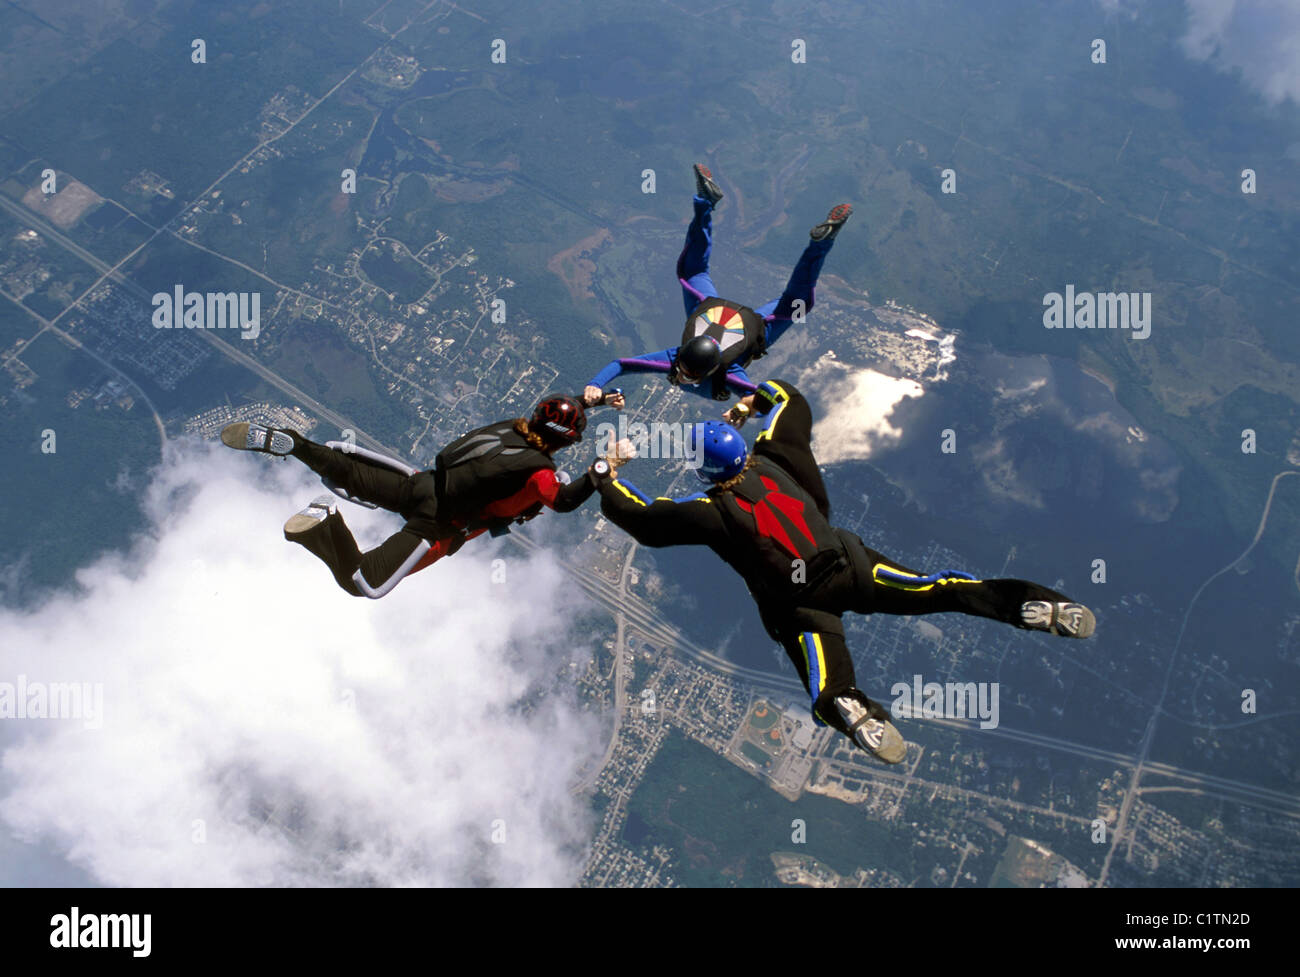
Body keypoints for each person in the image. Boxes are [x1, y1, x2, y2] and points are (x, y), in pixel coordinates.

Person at [591, 379, 1096, 764]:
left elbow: (644, 520)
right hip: (852, 566)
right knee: (940, 588)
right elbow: (792, 401)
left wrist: (605, 476)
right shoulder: (777, 454)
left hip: (803, 607)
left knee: (825, 678)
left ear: (705, 472)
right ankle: (1032, 606)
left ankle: (850, 707)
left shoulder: (707, 512)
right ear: (742, 450)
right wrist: (752, 399)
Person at [220, 395, 603, 598]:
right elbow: (565, 500)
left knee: (348, 472)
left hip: (422, 485)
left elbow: (558, 418)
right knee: (364, 582)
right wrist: (600, 471)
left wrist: (590, 401)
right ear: (566, 441)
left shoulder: (513, 429)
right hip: (439, 526)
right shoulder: (539, 474)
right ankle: (325, 524)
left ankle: (297, 445)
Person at [582, 164, 852, 408]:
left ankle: (818, 242)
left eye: (689, 374)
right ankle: (708, 203)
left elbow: (756, 397)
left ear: (711, 371)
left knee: (791, 302)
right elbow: (622, 364)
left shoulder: (718, 368)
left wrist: (746, 407)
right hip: (722, 314)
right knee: (791, 301)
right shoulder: (683, 360)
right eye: (686, 371)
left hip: (738, 321)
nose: (684, 376)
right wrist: (595, 384)